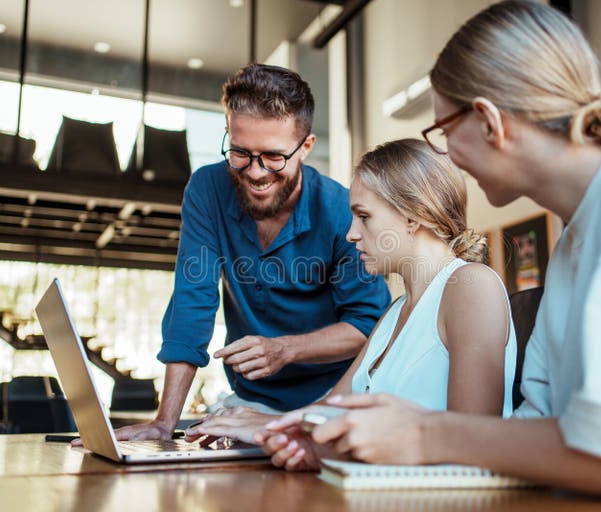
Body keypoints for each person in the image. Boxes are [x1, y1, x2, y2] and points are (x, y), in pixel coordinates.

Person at [262, 1, 601, 506]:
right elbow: (535, 428)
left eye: (444, 131)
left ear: (489, 120)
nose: (447, 153)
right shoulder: (573, 245)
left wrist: (424, 434)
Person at [106, 63, 390, 442]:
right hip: (254, 400)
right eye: (240, 152)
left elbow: (368, 326)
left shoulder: (340, 210)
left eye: (274, 157)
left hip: (335, 398)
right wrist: (164, 422)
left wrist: (285, 350)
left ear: (305, 147)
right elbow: (193, 302)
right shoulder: (207, 189)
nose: (255, 173)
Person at [194, 138, 517, 470]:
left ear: (413, 216)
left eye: (364, 216)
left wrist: (278, 430)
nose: (351, 234)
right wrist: (265, 423)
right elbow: (331, 408)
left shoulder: (470, 286)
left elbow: (472, 442)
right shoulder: (393, 313)